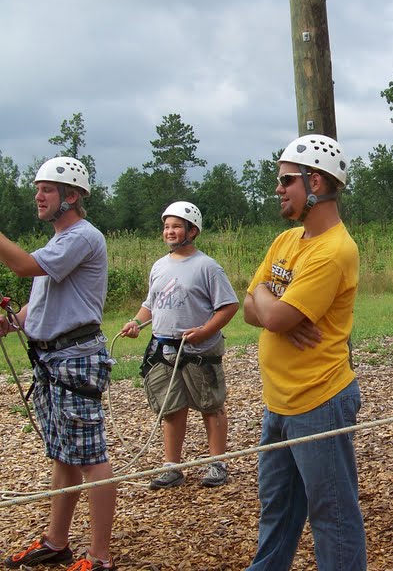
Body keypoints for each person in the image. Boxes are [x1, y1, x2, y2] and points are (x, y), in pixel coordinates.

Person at [244, 134, 366, 570]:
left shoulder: (335, 250)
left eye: (286, 180)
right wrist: (270, 301)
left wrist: (273, 308)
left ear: (315, 182)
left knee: (332, 515)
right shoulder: (286, 241)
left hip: (320, 401)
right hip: (278, 403)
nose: (278, 188)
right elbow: (250, 309)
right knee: (277, 512)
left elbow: (274, 319)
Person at [0, 157, 116, 570]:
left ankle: (99, 557)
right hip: (53, 362)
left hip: (74, 361)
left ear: (73, 196)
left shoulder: (82, 237)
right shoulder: (58, 243)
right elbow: (43, 298)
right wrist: (12, 323)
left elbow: (24, 265)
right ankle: (57, 541)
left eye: (47, 189)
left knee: (90, 458)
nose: (38, 196)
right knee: (64, 455)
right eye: (38, 188)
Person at [120, 201, 239, 489]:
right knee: (170, 409)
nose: (169, 232)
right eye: (166, 227)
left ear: (192, 231)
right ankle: (173, 466)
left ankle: (217, 464)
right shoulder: (159, 266)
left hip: (198, 350)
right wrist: (136, 322)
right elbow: (151, 303)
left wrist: (203, 332)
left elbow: (229, 306)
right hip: (164, 350)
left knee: (211, 405)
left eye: (175, 226)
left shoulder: (207, 267)